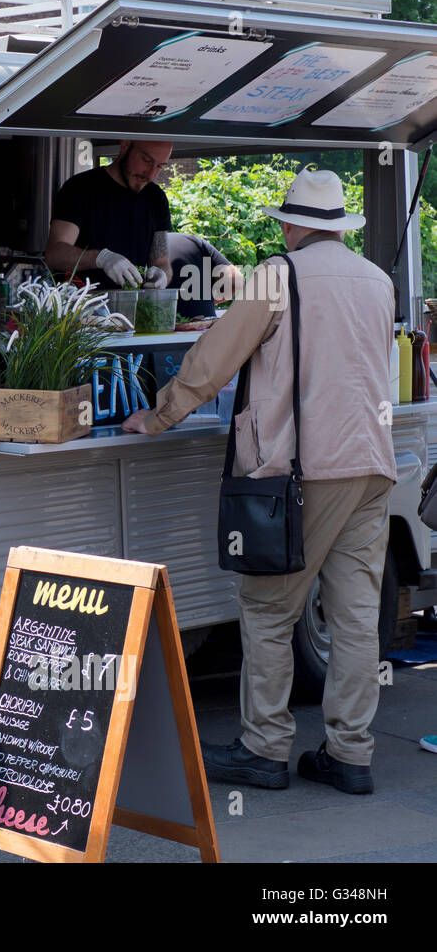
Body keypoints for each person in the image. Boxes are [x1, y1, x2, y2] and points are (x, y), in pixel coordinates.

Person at [122, 168, 396, 795]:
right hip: (370, 464)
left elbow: (213, 362)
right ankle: (350, 755)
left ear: (293, 224)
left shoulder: (277, 276)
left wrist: (158, 415)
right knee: (354, 618)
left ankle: (264, 748)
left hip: (303, 473)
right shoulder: (378, 281)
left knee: (270, 610)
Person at [45, 140, 174, 290]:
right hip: (78, 305)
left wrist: (162, 275)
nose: (151, 174)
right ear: (125, 146)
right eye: (146, 160)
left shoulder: (155, 198)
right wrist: (100, 258)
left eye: (159, 166)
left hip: (129, 307)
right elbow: (54, 254)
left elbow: (161, 262)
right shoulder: (80, 187)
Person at [168, 232, 246, 317]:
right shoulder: (192, 240)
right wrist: (207, 301)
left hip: (160, 322)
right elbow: (235, 278)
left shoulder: (155, 245)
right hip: (203, 322)